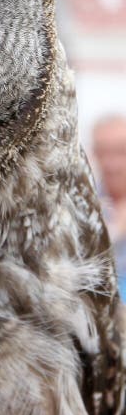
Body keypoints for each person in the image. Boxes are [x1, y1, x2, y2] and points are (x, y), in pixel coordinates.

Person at [92, 115, 126, 297]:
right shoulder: (85, 203)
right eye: (103, 152)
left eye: (121, 151)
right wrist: (114, 232)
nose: (113, 164)